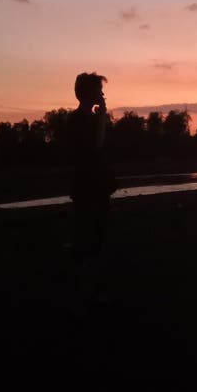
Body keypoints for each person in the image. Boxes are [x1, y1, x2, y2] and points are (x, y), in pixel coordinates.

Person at [67, 71, 117, 309]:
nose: (102, 94)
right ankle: (84, 293)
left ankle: (89, 291)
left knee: (95, 239)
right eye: (98, 90)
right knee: (87, 240)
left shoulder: (86, 118)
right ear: (87, 93)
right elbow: (96, 146)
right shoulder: (79, 120)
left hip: (94, 184)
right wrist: (103, 118)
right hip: (88, 186)